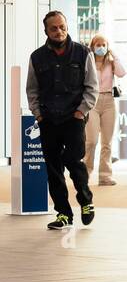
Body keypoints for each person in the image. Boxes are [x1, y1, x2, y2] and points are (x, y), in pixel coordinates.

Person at [26, 12, 99, 230]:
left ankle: (86, 201)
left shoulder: (83, 53)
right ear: (46, 31)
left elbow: (92, 87)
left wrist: (81, 112)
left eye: (62, 27)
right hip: (48, 120)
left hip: (73, 117)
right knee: (53, 168)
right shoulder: (37, 57)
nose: (59, 31)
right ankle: (64, 214)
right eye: (54, 28)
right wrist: (38, 114)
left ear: (67, 26)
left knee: (74, 161)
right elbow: (32, 89)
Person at [85, 34, 126, 186]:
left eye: (104, 44)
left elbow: (122, 73)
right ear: (93, 46)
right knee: (91, 141)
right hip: (92, 102)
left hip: (109, 101)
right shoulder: (88, 61)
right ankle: (86, 173)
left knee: (107, 142)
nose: (101, 47)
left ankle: (105, 176)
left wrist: (114, 56)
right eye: (98, 44)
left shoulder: (111, 62)